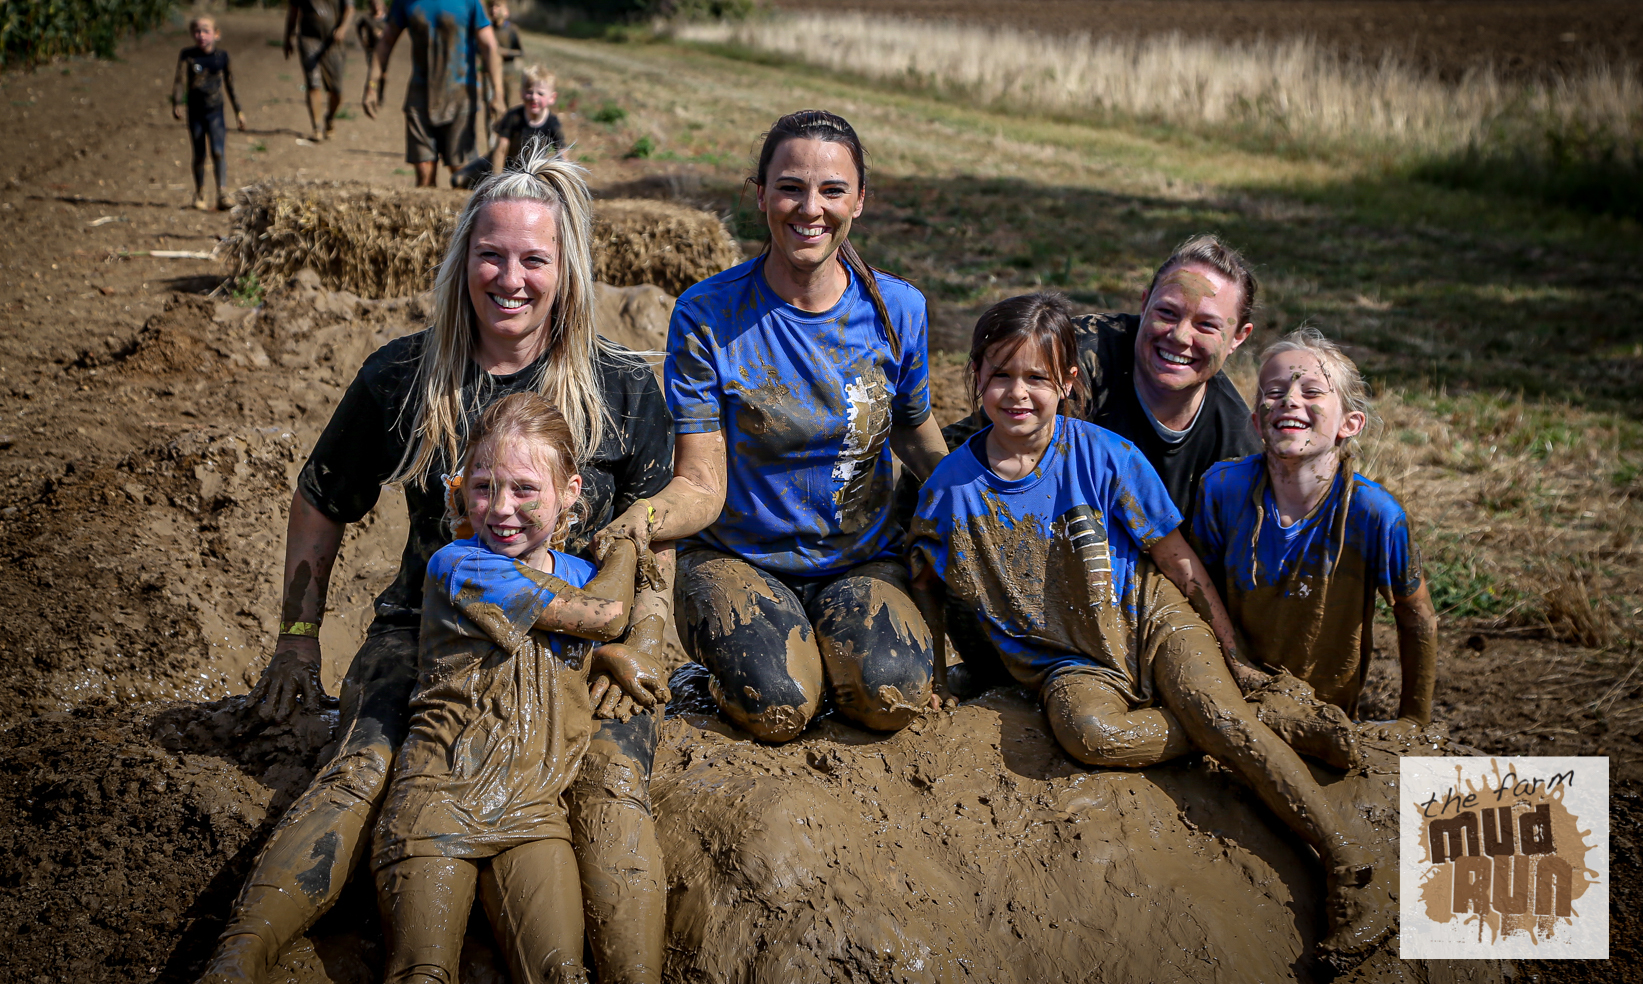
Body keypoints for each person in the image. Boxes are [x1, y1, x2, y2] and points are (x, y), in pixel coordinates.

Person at [199, 144, 674, 984]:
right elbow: (321, 496)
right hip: (423, 635)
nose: (511, 277)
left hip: (577, 651)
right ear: (464, 260)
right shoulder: (404, 373)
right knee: (363, 766)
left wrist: (648, 630)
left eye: (534, 258)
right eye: (492, 254)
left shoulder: (620, 387)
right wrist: (298, 640)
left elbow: (650, 527)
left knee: (609, 779)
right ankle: (235, 962)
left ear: (566, 270)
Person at [907, 293, 1386, 961]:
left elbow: (1175, 559)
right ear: (975, 378)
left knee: (1217, 709)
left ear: (1067, 383)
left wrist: (1231, 653)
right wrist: (932, 676)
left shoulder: (1105, 455)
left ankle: (1345, 864)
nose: (1018, 393)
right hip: (1066, 661)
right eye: (1000, 376)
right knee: (1091, 734)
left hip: (1149, 617)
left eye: (1037, 378)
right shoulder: (950, 488)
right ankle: (1248, 721)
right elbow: (926, 582)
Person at [594, 110, 949, 743]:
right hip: (739, 558)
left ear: (860, 201)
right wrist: (640, 522)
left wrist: (975, 500)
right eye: (790, 187)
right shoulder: (709, 314)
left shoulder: (899, 310)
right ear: (761, 195)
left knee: (890, 694)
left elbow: (913, 431)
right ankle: (715, 674)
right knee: (777, 706)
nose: (810, 208)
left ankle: (826, 648)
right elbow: (702, 482)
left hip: (860, 560)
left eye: (832, 190)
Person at [375, 393, 658, 984]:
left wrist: (605, 656)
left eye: (524, 489)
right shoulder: (461, 563)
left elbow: (561, 631)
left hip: (533, 812)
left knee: (562, 972)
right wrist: (628, 546)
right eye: (483, 488)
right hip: (439, 800)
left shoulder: (576, 577)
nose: (500, 509)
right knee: (421, 972)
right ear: (462, 490)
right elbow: (603, 612)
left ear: (571, 492)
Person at [918, 235, 1263, 696]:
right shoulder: (1081, 353)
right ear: (1144, 303)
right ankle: (993, 666)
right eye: (1166, 312)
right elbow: (980, 443)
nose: (1179, 336)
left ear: (1238, 336)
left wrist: (1234, 659)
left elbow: (1197, 566)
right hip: (1041, 561)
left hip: (1140, 592)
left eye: (1206, 324)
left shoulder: (1237, 443)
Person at [1191, 327, 1438, 744]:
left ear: (1350, 423)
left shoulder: (1374, 514)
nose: (1289, 399)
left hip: (1328, 716)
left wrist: (1414, 721)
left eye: (1311, 392)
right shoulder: (1221, 489)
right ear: (1256, 421)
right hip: (1234, 700)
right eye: (1274, 391)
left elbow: (1417, 616)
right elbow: (1195, 594)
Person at [364, 0, 503, 188]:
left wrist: (498, 94)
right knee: (424, 173)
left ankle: (460, 228)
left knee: (460, 174)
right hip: (419, 95)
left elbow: (490, 47)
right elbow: (385, 44)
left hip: (461, 94)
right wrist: (372, 86)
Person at [171, 15, 246, 212]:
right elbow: (179, 81)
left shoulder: (222, 57)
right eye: (197, 31)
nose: (201, 35)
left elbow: (230, 84)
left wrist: (239, 111)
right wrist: (176, 102)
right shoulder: (188, 55)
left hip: (215, 113)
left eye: (206, 31)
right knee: (198, 154)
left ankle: (222, 193)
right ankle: (200, 193)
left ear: (216, 34)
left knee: (218, 151)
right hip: (195, 112)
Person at [450, 65, 565, 191]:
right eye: (529, 91)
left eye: (540, 93)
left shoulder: (553, 124)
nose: (534, 97)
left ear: (552, 98)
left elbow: (562, 155)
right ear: (521, 92)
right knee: (457, 180)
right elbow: (500, 150)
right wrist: (497, 180)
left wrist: (564, 183)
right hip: (496, 165)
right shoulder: (513, 117)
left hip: (528, 170)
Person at [284, 0, 353, 142]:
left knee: (336, 90)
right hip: (308, 39)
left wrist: (342, 29)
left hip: (333, 42)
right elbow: (293, 12)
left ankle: (329, 118)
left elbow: (349, 8)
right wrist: (287, 37)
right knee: (313, 84)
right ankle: (316, 126)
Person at [489, 0, 525, 110]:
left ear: (506, 12)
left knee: (506, 103)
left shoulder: (511, 30)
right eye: (492, 7)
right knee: (489, 102)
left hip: (507, 72)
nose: (494, 10)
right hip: (489, 71)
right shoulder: (487, 29)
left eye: (498, 7)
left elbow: (520, 52)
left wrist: (505, 52)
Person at [355, 0, 387, 66]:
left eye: (377, 1)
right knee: (373, 70)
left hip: (385, 49)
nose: (376, 4)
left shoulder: (387, 17)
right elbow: (358, 27)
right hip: (372, 50)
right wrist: (363, 39)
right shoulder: (367, 18)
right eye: (373, 2)